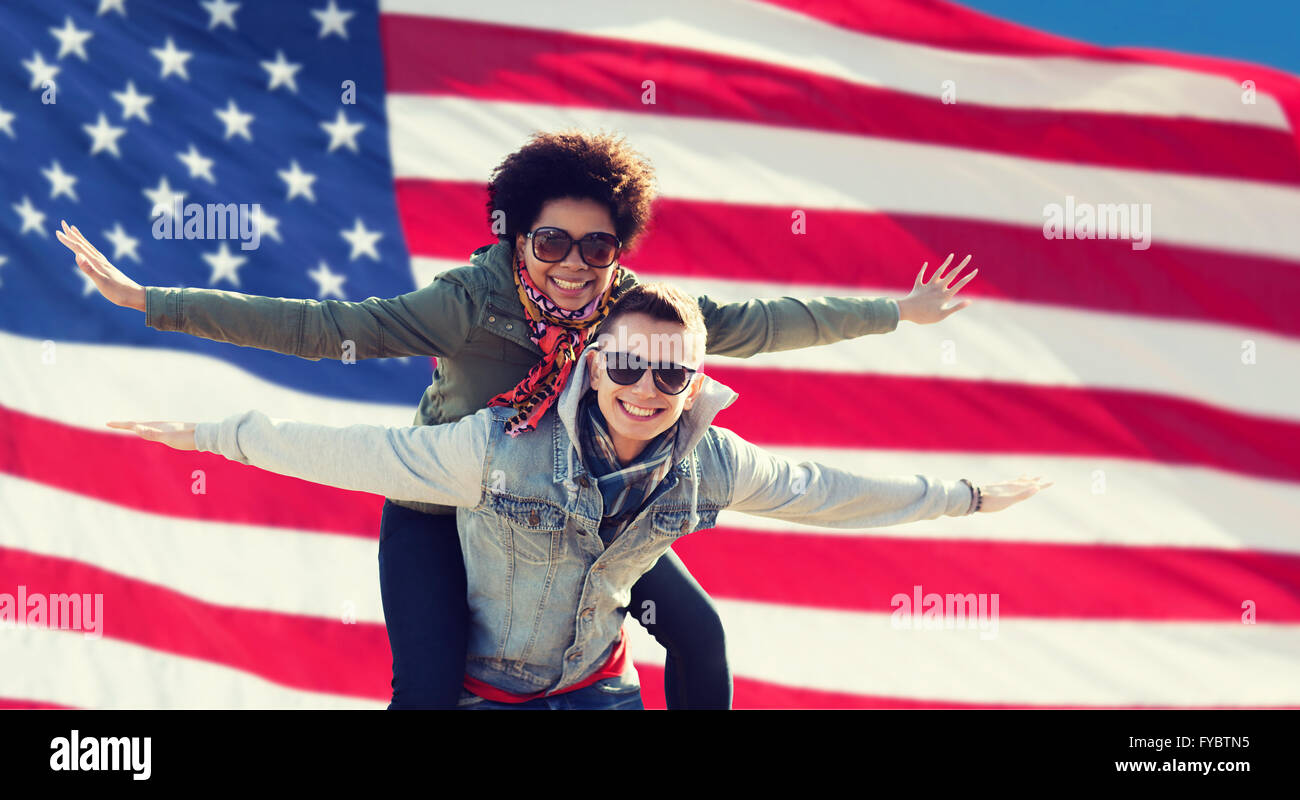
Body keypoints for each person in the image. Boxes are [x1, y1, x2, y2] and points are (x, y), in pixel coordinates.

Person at [58, 129, 979, 709]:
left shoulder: (637, 314)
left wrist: (899, 311)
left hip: (578, 508)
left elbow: (766, 322)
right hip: (446, 499)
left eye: (596, 245)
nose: (574, 265)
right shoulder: (469, 301)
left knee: (698, 634)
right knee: (427, 690)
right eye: (550, 242)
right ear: (516, 240)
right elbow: (329, 327)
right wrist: (154, 300)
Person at [108, 282, 1049, 710]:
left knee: (702, 628)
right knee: (424, 689)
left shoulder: (707, 456)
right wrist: (210, 435)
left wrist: (964, 496)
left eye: (670, 379)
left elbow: (826, 489)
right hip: (476, 651)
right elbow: (353, 441)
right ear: (593, 365)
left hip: (595, 689)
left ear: (695, 382)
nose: (647, 388)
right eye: (629, 368)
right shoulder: (494, 443)